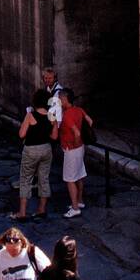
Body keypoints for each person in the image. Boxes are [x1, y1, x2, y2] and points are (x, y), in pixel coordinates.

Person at [14, 88, 59, 221]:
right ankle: (41, 209)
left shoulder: (30, 116)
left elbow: (21, 134)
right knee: (44, 178)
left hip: (31, 149)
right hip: (46, 149)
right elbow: (55, 136)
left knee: (26, 179)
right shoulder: (52, 116)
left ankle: (22, 212)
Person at [58, 88, 92, 217]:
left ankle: (75, 207)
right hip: (80, 148)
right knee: (79, 174)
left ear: (66, 99)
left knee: (70, 179)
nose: (60, 101)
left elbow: (76, 132)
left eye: (61, 98)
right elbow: (90, 121)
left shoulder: (67, 115)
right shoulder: (79, 110)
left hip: (71, 148)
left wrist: (74, 142)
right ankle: (79, 200)